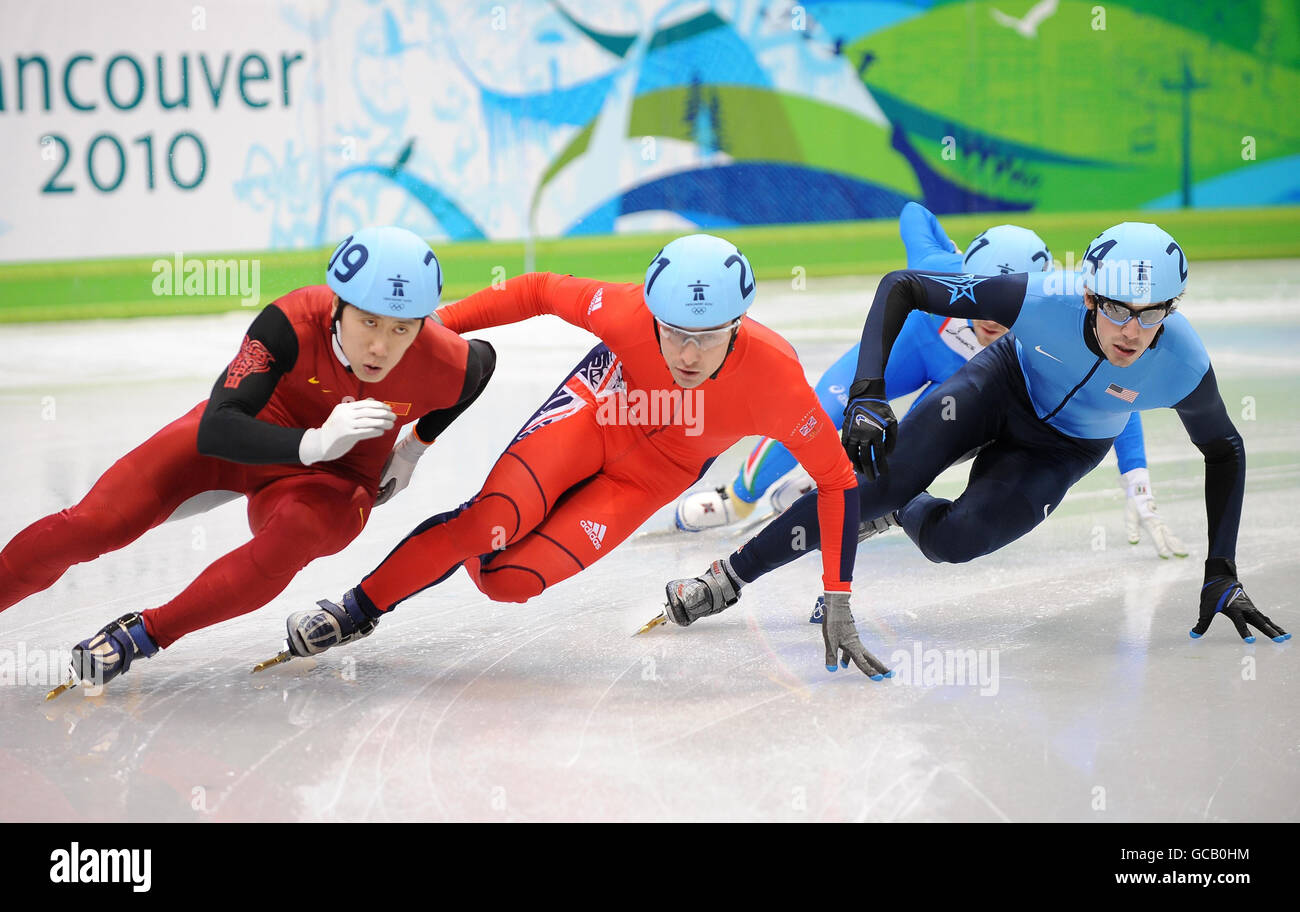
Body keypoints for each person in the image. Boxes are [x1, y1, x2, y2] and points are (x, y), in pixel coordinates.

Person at [660, 221, 1288, 669]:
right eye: (1119, 310)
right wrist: (869, 393)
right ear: (1090, 296)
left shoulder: (1180, 362)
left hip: (1062, 449)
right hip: (998, 386)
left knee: (949, 543)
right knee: (872, 480)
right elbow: (902, 287)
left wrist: (1221, 571)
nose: (1133, 332)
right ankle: (726, 578)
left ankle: (902, 504)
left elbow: (1224, 449)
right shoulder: (1039, 298)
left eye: (1153, 314)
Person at [273, 234, 889, 679]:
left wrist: (838, 596)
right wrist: (438, 328)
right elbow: (538, 290)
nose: (686, 355)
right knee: (493, 522)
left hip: (655, 473)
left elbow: (836, 482)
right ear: (651, 312)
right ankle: (358, 608)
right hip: (598, 412)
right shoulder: (626, 312)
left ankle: (479, 531)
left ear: (740, 323)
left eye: (706, 336)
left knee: (505, 581)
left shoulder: (778, 379)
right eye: (671, 331)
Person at [1, 226, 496, 695]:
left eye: (402, 328)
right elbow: (219, 425)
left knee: (290, 540)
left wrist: (413, 449)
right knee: (94, 524)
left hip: (335, 479)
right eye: (368, 321)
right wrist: (314, 443)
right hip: (243, 444)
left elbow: (483, 365)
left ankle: (145, 635)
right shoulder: (290, 323)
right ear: (336, 306)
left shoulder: (444, 360)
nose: (381, 346)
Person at [675, 203, 1186, 560]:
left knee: (942, 438)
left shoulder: (1050, 310)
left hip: (983, 385)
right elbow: (913, 214)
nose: (989, 314)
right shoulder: (940, 269)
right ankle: (741, 494)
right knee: (823, 408)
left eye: (999, 300)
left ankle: (861, 487)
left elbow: (1109, 397)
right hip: (913, 349)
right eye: (976, 295)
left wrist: (1135, 477)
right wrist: (946, 247)